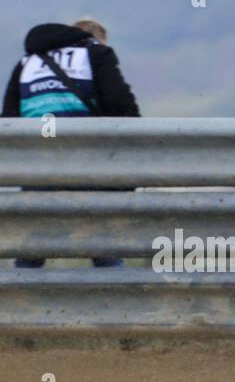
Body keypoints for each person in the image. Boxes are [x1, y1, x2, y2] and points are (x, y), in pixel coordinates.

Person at [3, 17, 140, 268]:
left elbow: (9, 119)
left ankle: (17, 304)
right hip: (88, 163)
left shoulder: (27, 63)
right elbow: (121, 105)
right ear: (93, 39)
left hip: (38, 167)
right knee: (102, 242)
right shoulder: (96, 53)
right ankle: (114, 302)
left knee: (33, 244)